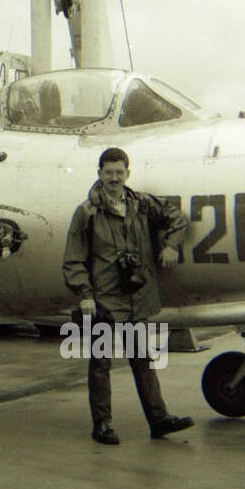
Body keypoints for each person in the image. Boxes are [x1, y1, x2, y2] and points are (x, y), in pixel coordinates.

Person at [62, 147, 193, 444]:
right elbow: (73, 259)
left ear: (127, 174)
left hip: (135, 298)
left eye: (119, 172)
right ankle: (102, 425)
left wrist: (172, 245)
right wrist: (84, 295)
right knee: (100, 364)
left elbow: (177, 218)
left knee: (143, 359)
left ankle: (158, 420)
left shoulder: (142, 204)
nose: (114, 178)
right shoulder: (86, 213)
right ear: (99, 174)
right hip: (104, 301)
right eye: (108, 173)